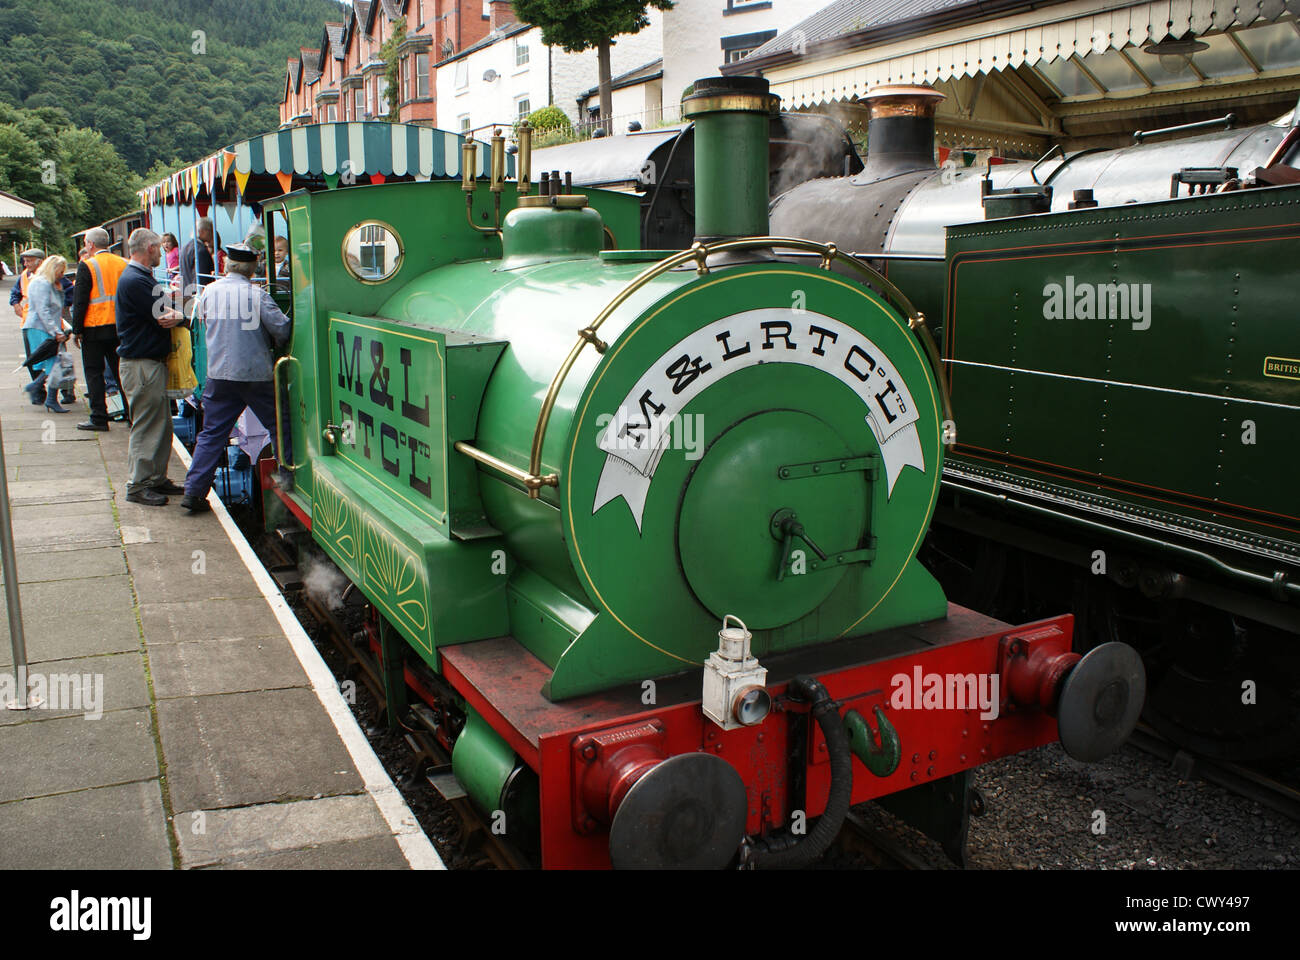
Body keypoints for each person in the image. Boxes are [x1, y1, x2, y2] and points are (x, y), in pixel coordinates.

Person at [182, 243, 292, 513]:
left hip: (219, 375)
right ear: (253, 268)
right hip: (255, 376)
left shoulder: (209, 292)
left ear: (226, 265)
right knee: (279, 424)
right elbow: (282, 331)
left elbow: (206, 324)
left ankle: (194, 491)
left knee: (211, 434)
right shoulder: (257, 295)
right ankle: (288, 475)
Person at [115, 228, 185, 507]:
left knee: (160, 423)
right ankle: (138, 484)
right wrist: (180, 314)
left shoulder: (138, 278)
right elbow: (164, 312)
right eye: (158, 247)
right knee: (147, 425)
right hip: (142, 365)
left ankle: (155, 478)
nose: (162, 252)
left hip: (146, 363)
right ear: (149, 248)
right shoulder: (136, 280)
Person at [72, 228, 129, 432]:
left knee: (94, 373)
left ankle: (99, 417)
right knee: (121, 372)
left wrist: (76, 329)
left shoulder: (87, 265)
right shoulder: (124, 263)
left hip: (94, 328)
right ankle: (132, 414)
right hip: (120, 328)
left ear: (90, 245)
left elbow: (80, 300)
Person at [21, 255, 71, 413]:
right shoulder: (42, 283)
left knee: (55, 363)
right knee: (55, 364)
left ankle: (39, 389)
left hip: (43, 327)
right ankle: (49, 398)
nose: (62, 275)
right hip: (41, 328)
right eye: (61, 271)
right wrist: (55, 331)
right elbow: (43, 310)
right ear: (53, 268)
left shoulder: (44, 282)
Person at [178, 218, 216, 302]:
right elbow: (202, 278)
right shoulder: (200, 250)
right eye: (211, 230)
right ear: (202, 231)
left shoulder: (185, 247)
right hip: (196, 296)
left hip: (186, 293)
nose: (213, 234)